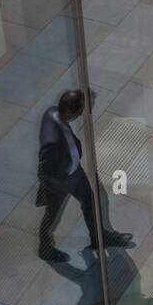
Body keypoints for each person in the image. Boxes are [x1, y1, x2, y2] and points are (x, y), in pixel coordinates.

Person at [37, 89, 133, 262]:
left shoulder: (52, 111)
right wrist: (57, 183)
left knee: (90, 200)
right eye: (79, 110)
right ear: (68, 111)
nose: (82, 112)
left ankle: (99, 238)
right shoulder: (51, 140)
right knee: (52, 215)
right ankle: (44, 248)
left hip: (73, 172)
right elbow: (45, 164)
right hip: (62, 180)